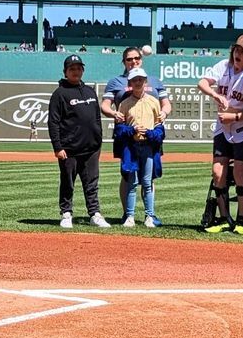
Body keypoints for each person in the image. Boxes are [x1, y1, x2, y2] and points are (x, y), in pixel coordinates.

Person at [100, 47, 173, 226]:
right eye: (129, 59)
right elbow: (105, 105)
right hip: (126, 136)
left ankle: (150, 215)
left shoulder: (155, 81)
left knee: (149, 178)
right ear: (124, 62)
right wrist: (113, 114)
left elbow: (166, 104)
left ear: (141, 59)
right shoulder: (116, 82)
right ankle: (128, 214)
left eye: (136, 58)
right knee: (128, 176)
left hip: (150, 136)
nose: (133, 61)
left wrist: (164, 113)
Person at [197, 35, 243, 234]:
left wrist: (235, 116)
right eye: (236, 49)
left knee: (240, 172)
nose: (237, 54)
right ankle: (224, 218)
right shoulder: (223, 66)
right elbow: (202, 83)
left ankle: (242, 220)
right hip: (222, 128)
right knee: (217, 172)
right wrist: (216, 95)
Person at [48, 55, 110, 229]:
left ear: (83, 70)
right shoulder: (60, 94)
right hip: (69, 149)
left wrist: (98, 139)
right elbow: (53, 122)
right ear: (65, 72)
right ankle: (66, 213)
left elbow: (96, 118)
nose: (76, 71)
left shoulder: (89, 91)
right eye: (72, 69)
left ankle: (94, 214)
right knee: (68, 182)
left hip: (91, 148)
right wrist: (58, 147)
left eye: (78, 68)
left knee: (92, 183)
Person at [114, 68, 165, 227]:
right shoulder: (124, 104)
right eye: (134, 80)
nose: (138, 82)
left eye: (140, 79)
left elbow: (160, 129)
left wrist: (150, 133)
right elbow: (119, 129)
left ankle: (149, 216)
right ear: (130, 83)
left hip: (148, 147)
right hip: (131, 147)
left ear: (145, 81)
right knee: (132, 182)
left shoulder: (153, 102)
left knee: (147, 182)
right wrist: (132, 130)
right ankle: (129, 216)